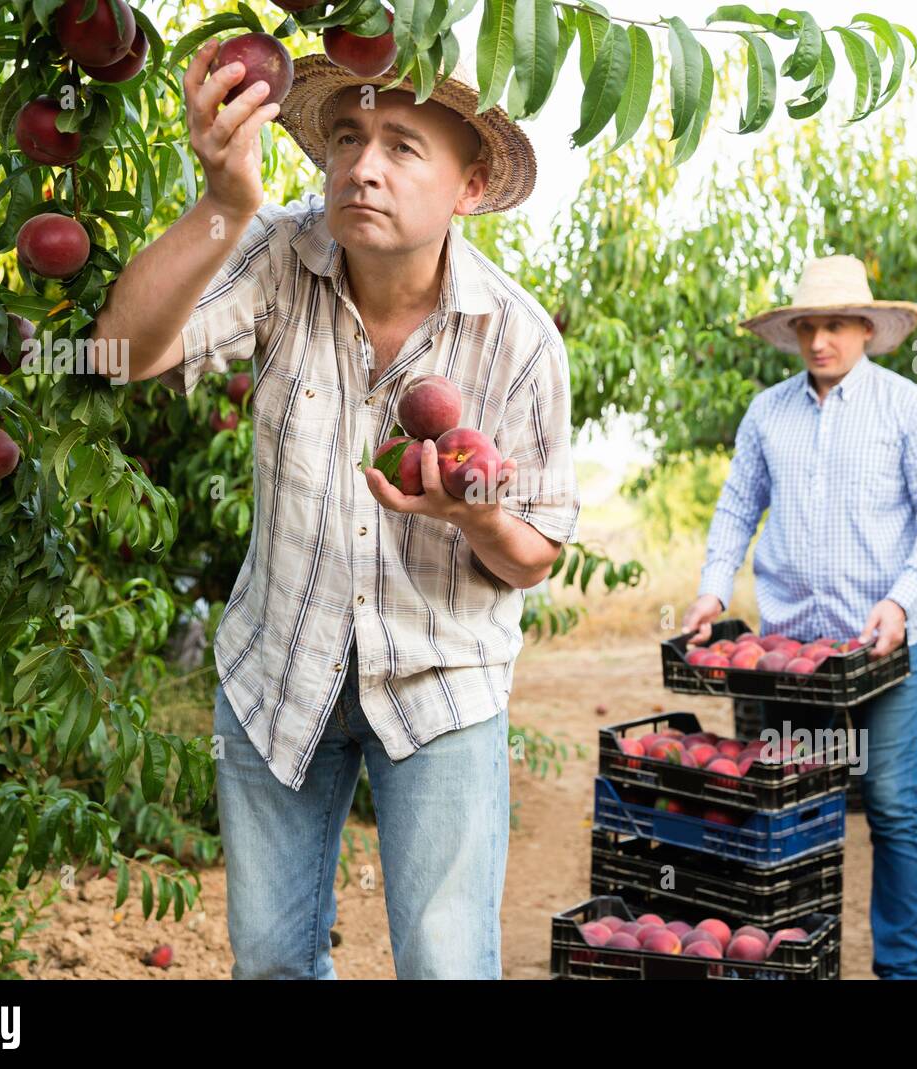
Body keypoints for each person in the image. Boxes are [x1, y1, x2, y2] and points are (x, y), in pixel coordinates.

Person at [89, 43, 580, 979]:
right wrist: (225, 203)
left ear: (470, 185)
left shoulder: (518, 340)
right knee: (271, 963)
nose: (363, 165)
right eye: (347, 138)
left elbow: (535, 554)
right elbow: (120, 355)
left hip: (441, 685)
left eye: (403, 146)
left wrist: (471, 516)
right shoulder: (277, 256)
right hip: (280, 667)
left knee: (444, 966)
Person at [681, 255, 917, 979]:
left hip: (882, 646)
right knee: (794, 805)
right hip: (788, 654)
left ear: (866, 329)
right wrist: (714, 590)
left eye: (836, 324)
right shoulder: (768, 414)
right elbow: (737, 508)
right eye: (808, 325)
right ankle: (799, 958)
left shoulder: (912, 411)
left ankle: (901, 969)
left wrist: (902, 602)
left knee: (893, 803)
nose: (819, 340)